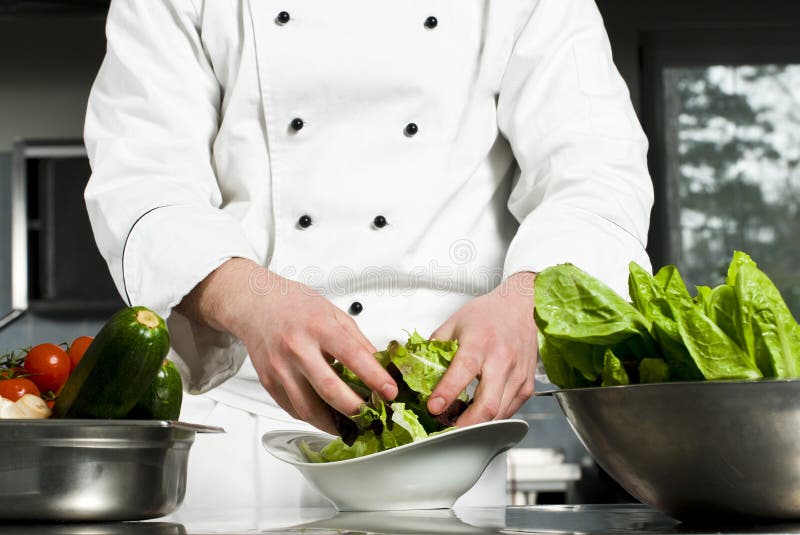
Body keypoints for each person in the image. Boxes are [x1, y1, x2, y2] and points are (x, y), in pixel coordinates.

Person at [84, 0, 653, 510]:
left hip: (445, 443)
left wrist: (526, 302)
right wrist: (249, 300)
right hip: (244, 434)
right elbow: (142, 176)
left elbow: (596, 170)